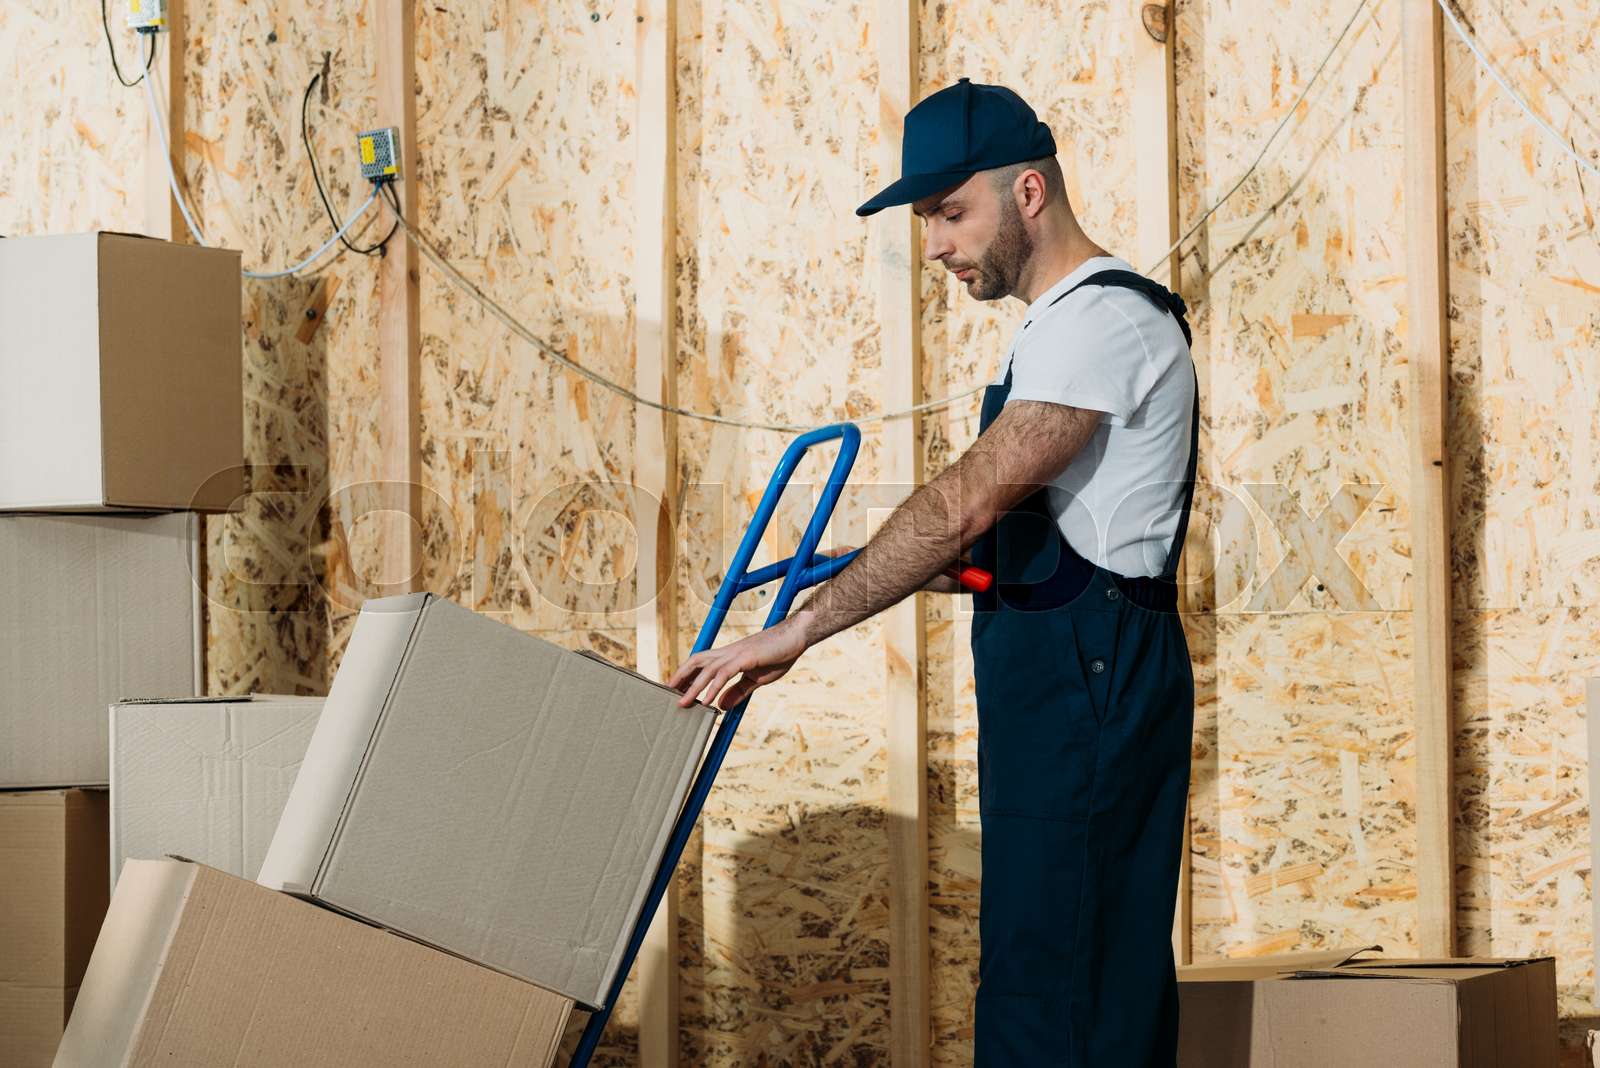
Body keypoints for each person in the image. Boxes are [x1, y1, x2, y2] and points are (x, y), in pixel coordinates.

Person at [669, 78, 1197, 1067]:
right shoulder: (1055, 330)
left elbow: (969, 500)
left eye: (950, 213)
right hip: (1066, 674)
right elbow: (1001, 537)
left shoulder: (1100, 322)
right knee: (1056, 963)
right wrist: (888, 571)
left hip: (1094, 677)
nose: (936, 246)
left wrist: (797, 631)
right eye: (925, 221)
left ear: (1029, 192)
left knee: (1063, 985)